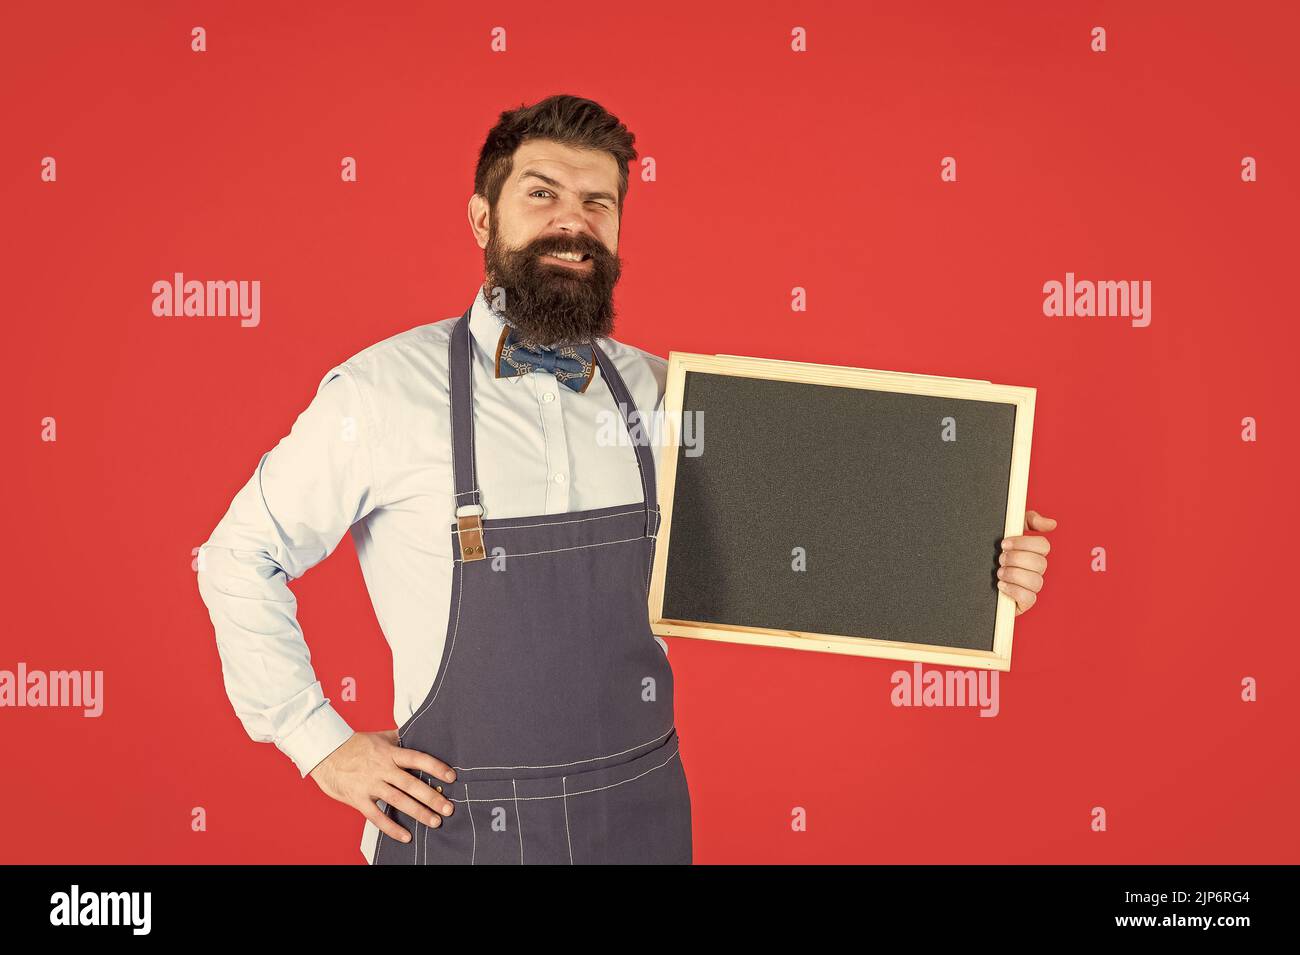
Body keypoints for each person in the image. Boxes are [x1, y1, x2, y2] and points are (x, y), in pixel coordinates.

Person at [196, 93, 1056, 866]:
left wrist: (977, 566)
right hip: (462, 831)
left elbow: (827, 542)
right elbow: (236, 556)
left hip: (643, 818)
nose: (573, 222)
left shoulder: (663, 392)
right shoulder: (383, 391)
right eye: (542, 194)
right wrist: (318, 742)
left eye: (597, 202)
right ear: (481, 219)